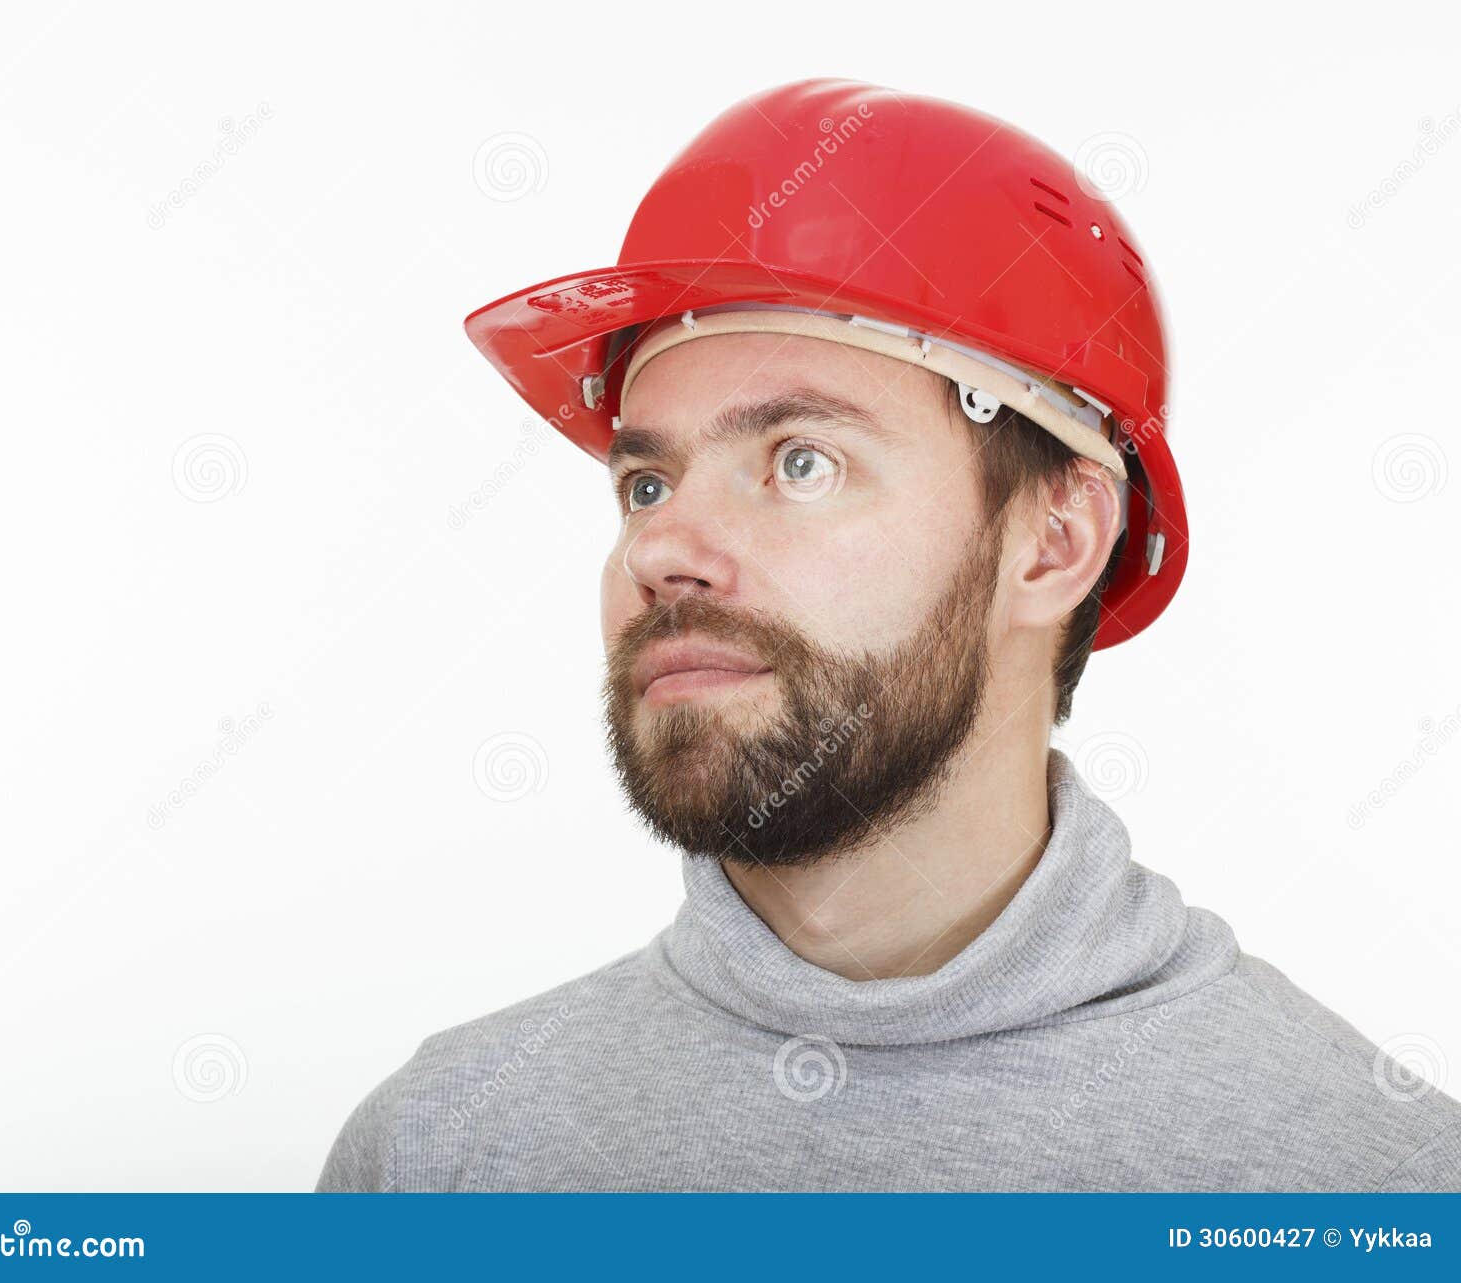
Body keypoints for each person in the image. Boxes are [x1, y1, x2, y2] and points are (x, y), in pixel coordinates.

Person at [316, 79, 1460, 1191]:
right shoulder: (442, 1158)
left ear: (1054, 543)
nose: (660, 549)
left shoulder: (1368, 1186)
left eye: (800, 461)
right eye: (647, 485)